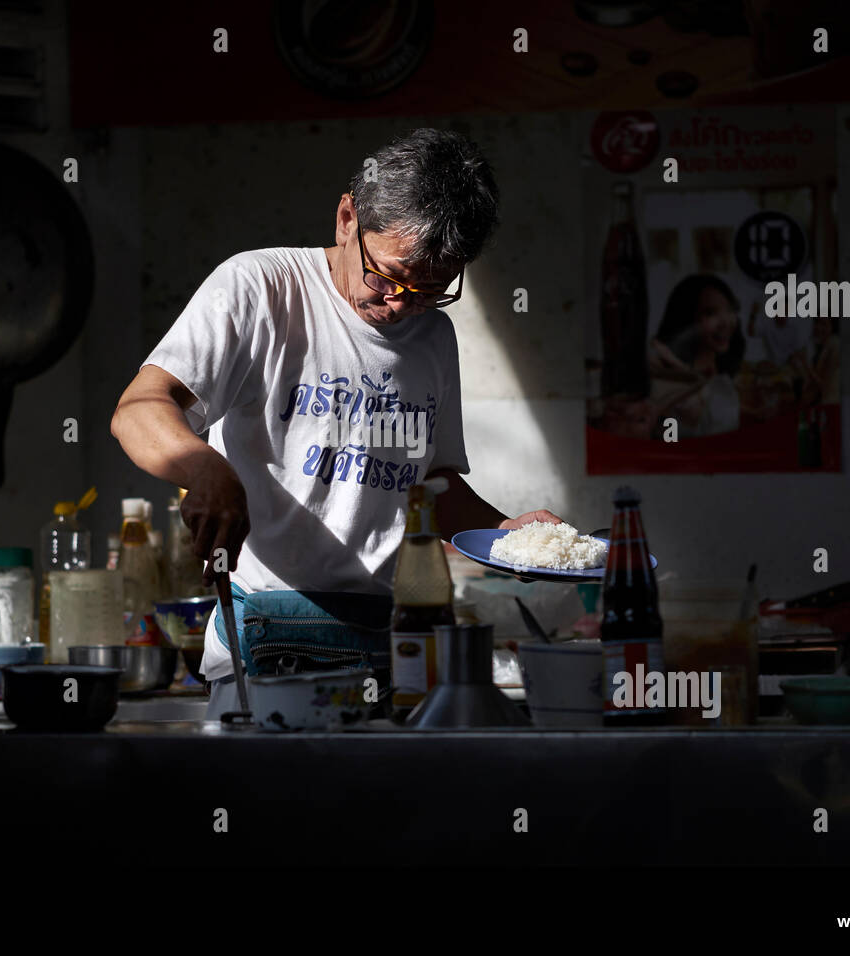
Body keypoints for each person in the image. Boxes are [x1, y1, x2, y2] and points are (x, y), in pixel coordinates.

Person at [111, 128, 561, 716]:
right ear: (348, 218)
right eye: (388, 276)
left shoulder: (432, 336)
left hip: (390, 646)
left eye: (430, 290)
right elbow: (140, 407)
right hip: (267, 643)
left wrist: (509, 536)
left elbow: (428, 487)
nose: (401, 304)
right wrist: (205, 469)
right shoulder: (261, 287)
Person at [647, 274, 746, 437]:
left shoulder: (724, 370)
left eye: (730, 310)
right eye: (710, 313)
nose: (726, 322)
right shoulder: (664, 374)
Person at [802, 314, 840, 405]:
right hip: (821, 402)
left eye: (824, 324)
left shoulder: (834, 345)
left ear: (832, 326)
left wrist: (805, 363)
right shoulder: (822, 345)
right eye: (817, 323)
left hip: (830, 403)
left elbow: (824, 384)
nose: (818, 327)